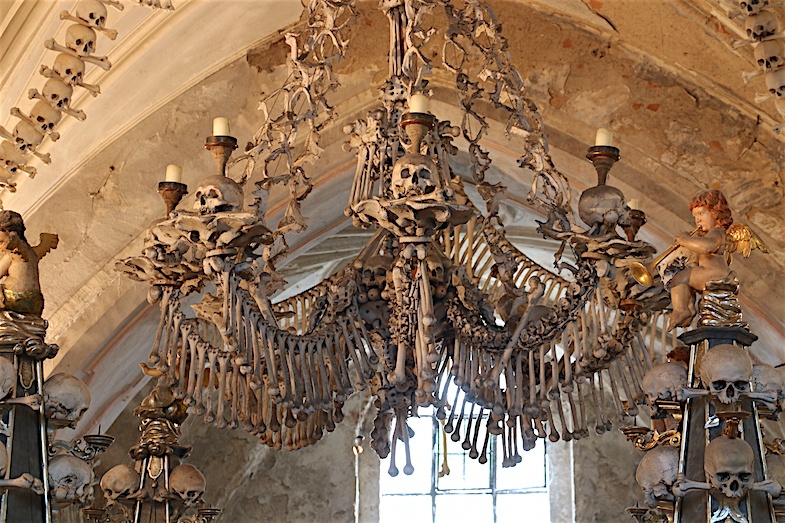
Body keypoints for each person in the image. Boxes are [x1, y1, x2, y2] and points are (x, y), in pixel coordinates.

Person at [667, 190, 733, 330]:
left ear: (715, 213)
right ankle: (688, 310)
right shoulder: (709, 233)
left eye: (701, 214)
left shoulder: (717, 231)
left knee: (679, 279)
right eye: (695, 216)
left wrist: (685, 239)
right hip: (709, 271)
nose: (698, 220)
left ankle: (681, 310)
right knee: (687, 282)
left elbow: (708, 247)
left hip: (712, 272)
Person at [0, 211, 47, 315]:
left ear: (11, 234)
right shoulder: (32, 252)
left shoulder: (12, 253)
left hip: (15, 298)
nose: (1, 248)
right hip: (35, 302)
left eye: (1, 242)